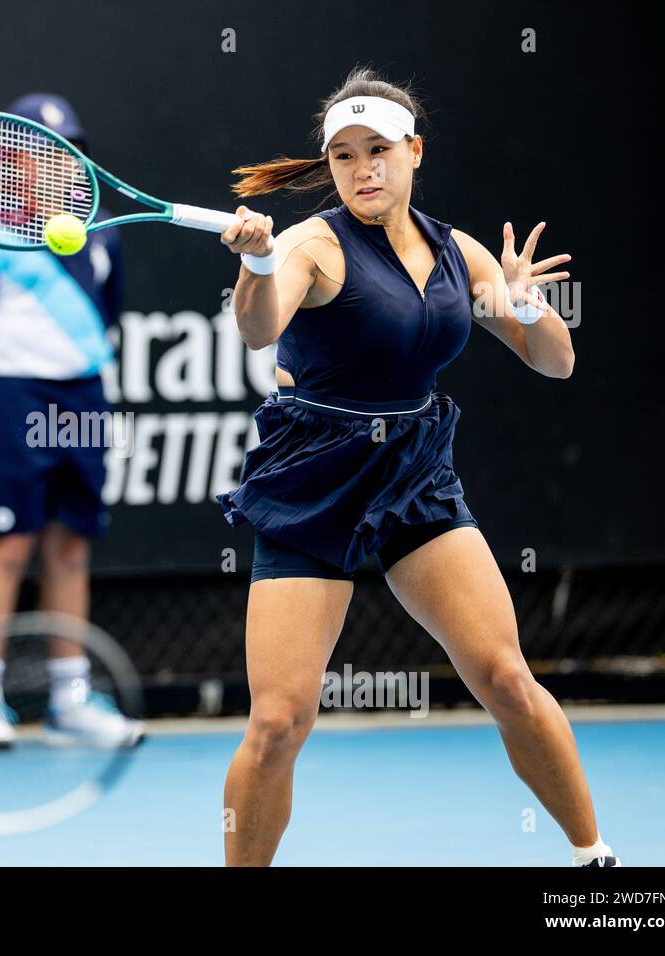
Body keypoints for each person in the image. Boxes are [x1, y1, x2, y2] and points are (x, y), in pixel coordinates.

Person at [215, 66, 618, 867]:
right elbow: (259, 331)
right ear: (329, 167)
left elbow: (555, 363)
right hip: (313, 478)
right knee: (279, 721)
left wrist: (523, 301)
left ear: (413, 152)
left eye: (379, 150)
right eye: (344, 157)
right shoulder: (309, 245)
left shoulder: (458, 252)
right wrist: (257, 265)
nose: (363, 169)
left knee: (506, 677)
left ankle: (594, 860)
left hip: (413, 473)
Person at [0, 92, 145, 751]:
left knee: (72, 544)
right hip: (12, 398)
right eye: (39, 151)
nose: (57, 164)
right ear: (9, 161)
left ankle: (69, 698)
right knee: (8, 546)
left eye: (68, 152)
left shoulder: (105, 230)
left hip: (84, 396)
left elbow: (108, 317)